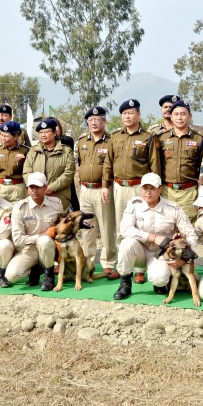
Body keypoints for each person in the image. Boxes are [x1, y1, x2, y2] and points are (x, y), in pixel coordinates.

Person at [112, 172, 198, 300]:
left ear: (160, 190)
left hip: (161, 254)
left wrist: (185, 259)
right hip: (139, 250)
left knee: (160, 279)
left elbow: (192, 235)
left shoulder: (173, 208)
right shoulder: (134, 204)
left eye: (152, 188)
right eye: (145, 188)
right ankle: (125, 284)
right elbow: (125, 229)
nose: (148, 192)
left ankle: (159, 282)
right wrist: (153, 237)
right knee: (126, 244)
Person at [104, 99, 162, 243]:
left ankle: (140, 262)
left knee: (141, 224)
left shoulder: (147, 137)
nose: (127, 117)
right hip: (119, 187)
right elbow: (108, 163)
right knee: (121, 225)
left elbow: (154, 165)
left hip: (139, 188)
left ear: (139, 114)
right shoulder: (115, 137)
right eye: (124, 113)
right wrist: (105, 186)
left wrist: (154, 189)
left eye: (130, 113)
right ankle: (122, 260)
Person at [75, 106, 117, 280]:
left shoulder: (112, 141)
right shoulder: (82, 141)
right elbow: (79, 162)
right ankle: (89, 260)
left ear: (104, 121)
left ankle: (108, 262)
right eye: (90, 120)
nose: (93, 123)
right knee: (87, 227)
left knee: (107, 226)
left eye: (97, 120)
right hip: (85, 189)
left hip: (103, 189)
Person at [5, 172, 63, 290]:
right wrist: (41, 235)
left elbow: (62, 228)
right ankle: (35, 269)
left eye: (38, 187)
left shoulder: (56, 204)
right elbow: (17, 239)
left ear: (45, 187)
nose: (35, 190)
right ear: (27, 189)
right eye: (32, 187)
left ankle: (49, 274)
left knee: (45, 241)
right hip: (29, 248)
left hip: (49, 248)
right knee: (11, 276)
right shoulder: (20, 208)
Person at [158, 100, 203, 221]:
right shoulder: (161, 138)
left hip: (189, 193)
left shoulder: (199, 139)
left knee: (189, 232)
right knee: (167, 229)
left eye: (183, 114)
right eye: (176, 114)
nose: (179, 117)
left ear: (190, 116)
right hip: (167, 192)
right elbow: (156, 165)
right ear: (171, 117)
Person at [23, 118, 76, 211]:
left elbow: (69, 174)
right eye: (41, 132)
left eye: (47, 132)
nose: (43, 135)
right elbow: (26, 172)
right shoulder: (33, 151)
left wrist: (51, 188)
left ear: (55, 133)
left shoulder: (66, 151)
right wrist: (38, 188)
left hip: (59, 197)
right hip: (36, 196)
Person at [0, 104, 30, 175]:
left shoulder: (21, 134)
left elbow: (30, 157)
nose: (0, 118)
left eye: (4, 115)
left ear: (10, 117)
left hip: (16, 181)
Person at [0, 120, 30, 203]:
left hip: (17, 189)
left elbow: (28, 172)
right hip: (0, 188)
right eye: (2, 135)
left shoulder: (25, 151)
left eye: (6, 136)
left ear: (16, 137)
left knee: (17, 214)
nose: (3, 138)